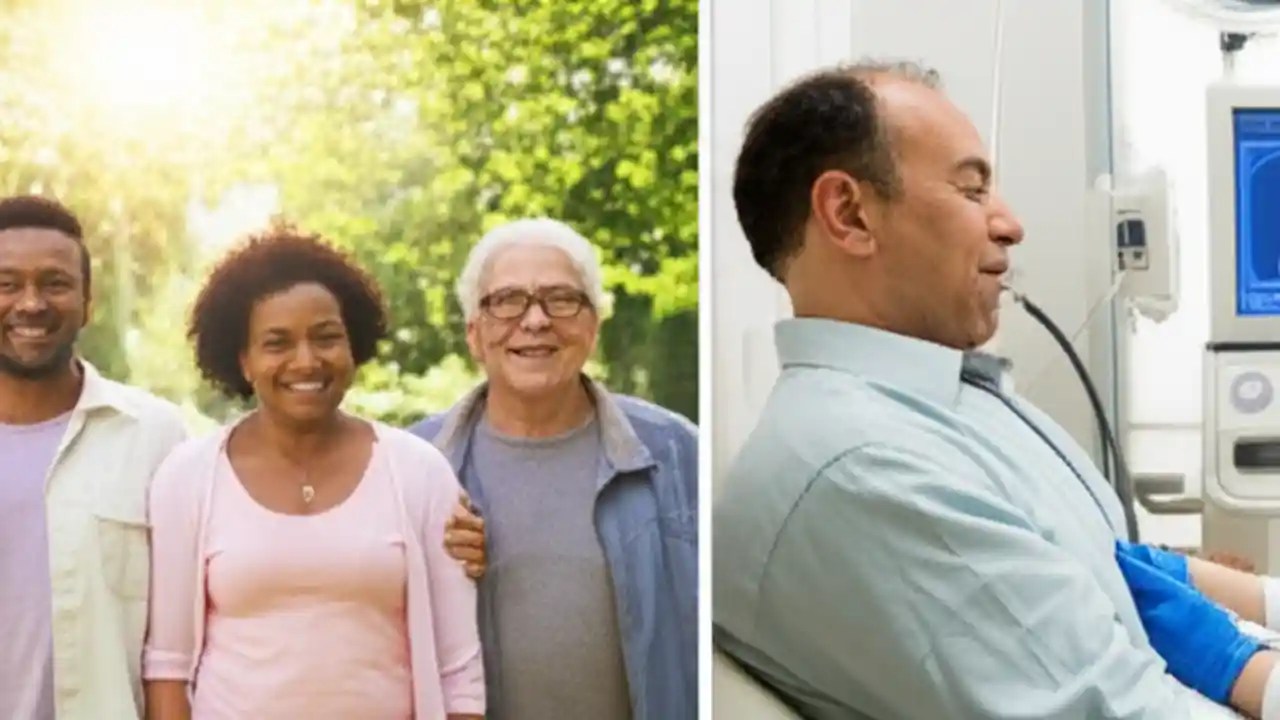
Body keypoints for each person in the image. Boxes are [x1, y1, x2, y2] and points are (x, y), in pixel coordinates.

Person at [711, 60, 1280, 719]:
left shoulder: (944, 403)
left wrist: (1253, 609)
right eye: (973, 190)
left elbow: (1116, 572)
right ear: (850, 215)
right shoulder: (869, 469)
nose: (1011, 224)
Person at [143, 224, 485, 719]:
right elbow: (167, 668)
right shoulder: (189, 477)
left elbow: (459, 673)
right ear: (244, 360)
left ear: (353, 346)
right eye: (277, 343)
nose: (306, 361)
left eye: (326, 338)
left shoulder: (418, 472)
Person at [409, 217, 699, 720]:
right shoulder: (415, 464)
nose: (536, 320)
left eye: (561, 298)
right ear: (474, 334)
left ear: (593, 326)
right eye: (507, 300)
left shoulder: (675, 452)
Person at [0, 195, 188, 720]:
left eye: (55, 283)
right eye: (7, 284)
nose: (31, 303)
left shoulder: (156, 437)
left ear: (88, 301)